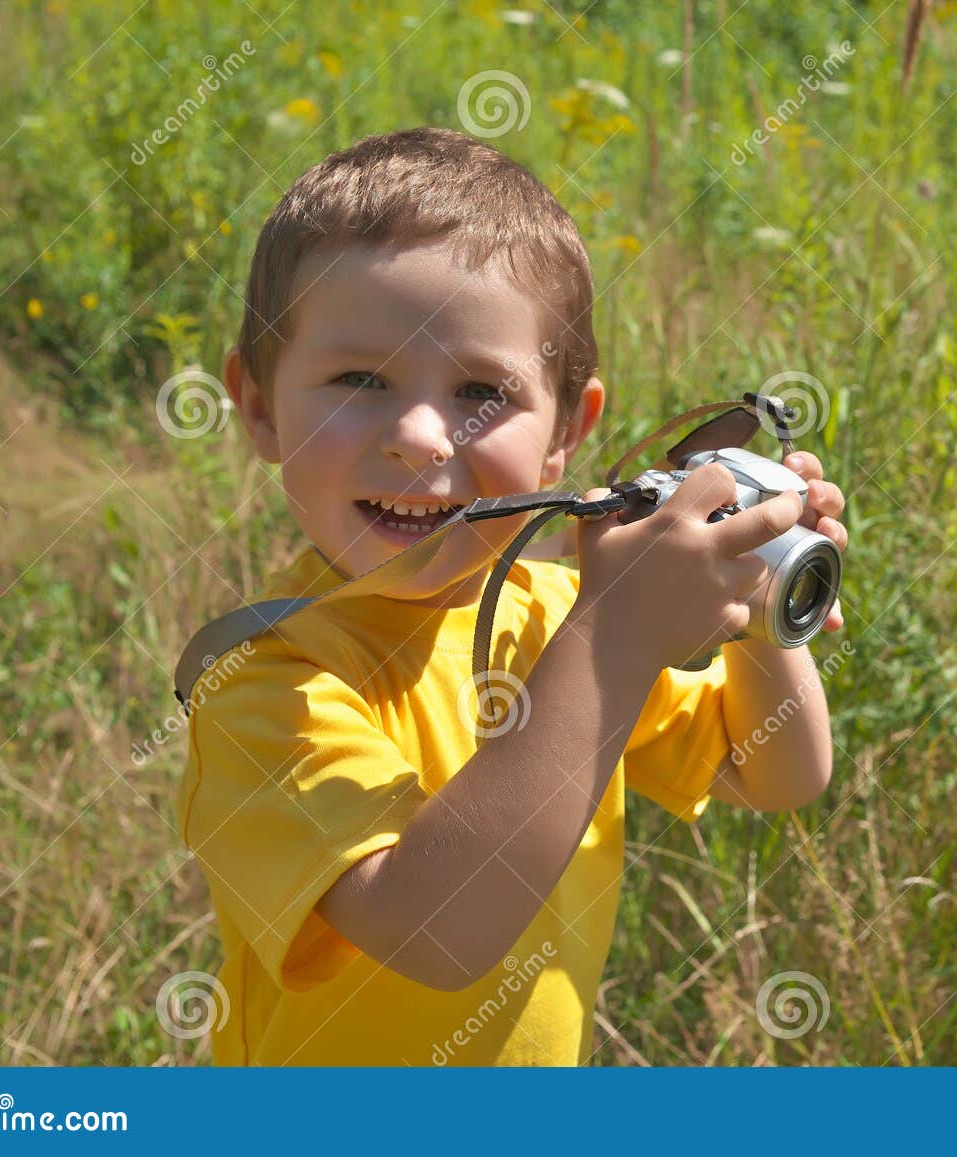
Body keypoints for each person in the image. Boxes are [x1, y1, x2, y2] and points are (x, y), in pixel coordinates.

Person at [174, 126, 850, 1065]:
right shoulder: (263, 686)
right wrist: (616, 636)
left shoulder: (559, 612)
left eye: (480, 392)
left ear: (567, 431)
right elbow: (436, 934)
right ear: (258, 405)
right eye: (360, 379)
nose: (420, 435)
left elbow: (777, 774)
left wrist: (758, 597)